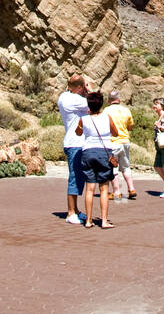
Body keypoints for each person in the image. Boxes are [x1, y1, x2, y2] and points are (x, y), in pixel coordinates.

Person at [75, 91, 120, 228]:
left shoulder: (84, 119)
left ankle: (88, 220)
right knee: (104, 188)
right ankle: (104, 220)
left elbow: (78, 132)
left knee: (89, 188)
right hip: (104, 153)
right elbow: (116, 133)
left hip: (88, 152)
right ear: (101, 104)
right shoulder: (107, 117)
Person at [58, 75, 91, 224]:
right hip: (76, 143)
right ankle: (71, 212)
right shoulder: (76, 100)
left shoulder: (64, 97)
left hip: (74, 142)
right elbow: (96, 104)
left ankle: (76, 210)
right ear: (80, 88)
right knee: (75, 177)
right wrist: (89, 91)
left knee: (78, 177)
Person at [105, 91, 137, 200]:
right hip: (125, 141)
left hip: (113, 142)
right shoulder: (126, 110)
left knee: (113, 168)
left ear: (109, 100)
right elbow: (131, 127)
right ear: (119, 99)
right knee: (126, 167)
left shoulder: (106, 111)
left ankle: (117, 192)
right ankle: (131, 188)